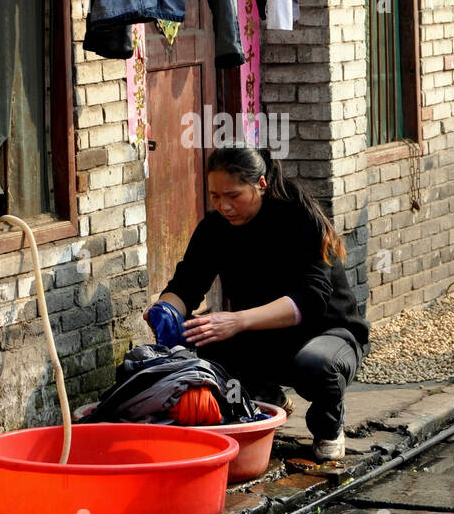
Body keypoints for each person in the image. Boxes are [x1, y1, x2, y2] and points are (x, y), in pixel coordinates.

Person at [144, 146, 370, 461]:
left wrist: (237, 321)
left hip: (328, 334)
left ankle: (328, 424)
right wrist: (166, 309)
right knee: (201, 342)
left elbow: (310, 299)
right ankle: (266, 397)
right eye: (215, 196)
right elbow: (186, 284)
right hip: (263, 335)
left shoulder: (299, 220)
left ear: (260, 185)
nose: (224, 206)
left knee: (315, 365)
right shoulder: (215, 229)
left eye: (233, 195)